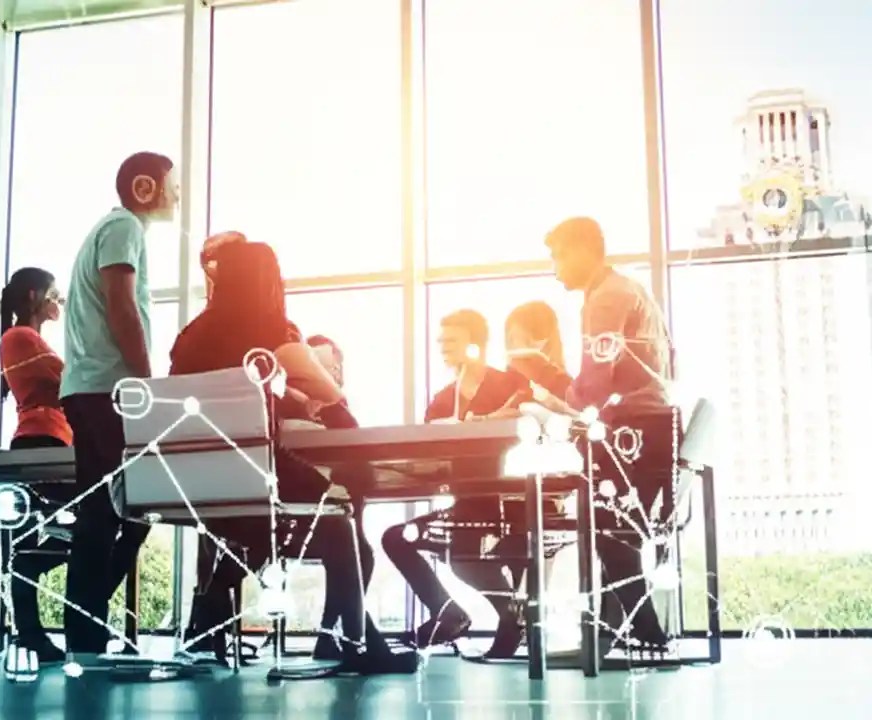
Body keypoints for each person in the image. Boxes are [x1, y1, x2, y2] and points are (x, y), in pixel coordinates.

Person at [170, 241, 417, 674]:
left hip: (192, 477)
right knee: (342, 522)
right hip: (252, 466)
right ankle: (359, 645)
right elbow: (332, 392)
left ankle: (210, 613)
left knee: (273, 531)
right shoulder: (268, 329)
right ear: (269, 284)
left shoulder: (191, 335)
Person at [59, 151, 178, 660]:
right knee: (110, 512)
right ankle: (85, 627)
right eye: (172, 185)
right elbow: (121, 305)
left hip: (93, 386)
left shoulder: (115, 228)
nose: (177, 195)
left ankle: (85, 624)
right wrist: (144, 380)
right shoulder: (124, 226)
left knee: (112, 510)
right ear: (145, 187)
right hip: (107, 389)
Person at [544, 216, 677, 651]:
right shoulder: (634, 292)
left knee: (604, 524)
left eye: (559, 256)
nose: (555, 268)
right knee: (615, 527)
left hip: (633, 431)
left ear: (584, 249)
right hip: (655, 428)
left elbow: (595, 386)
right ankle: (613, 630)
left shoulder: (605, 299)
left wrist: (554, 395)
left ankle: (645, 632)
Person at [382, 310, 536, 655]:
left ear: (475, 345)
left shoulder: (510, 384)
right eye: (440, 340)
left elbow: (530, 418)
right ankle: (447, 612)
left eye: (451, 340)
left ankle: (511, 616)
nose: (442, 346)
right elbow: (432, 457)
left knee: (466, 557)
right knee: (397, 537)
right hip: (465, 504)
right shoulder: (442, 398)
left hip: (511, 502)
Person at [0, 267, 71, 663]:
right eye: (53, 294)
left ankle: (31, 632)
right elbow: (70, 378)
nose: (57, 301)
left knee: (67, 531)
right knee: (84, 527)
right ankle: (30, 631)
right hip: (39, 443)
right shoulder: (20, 338)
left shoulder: (32, 339)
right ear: (32, 296)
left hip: (53, 441)